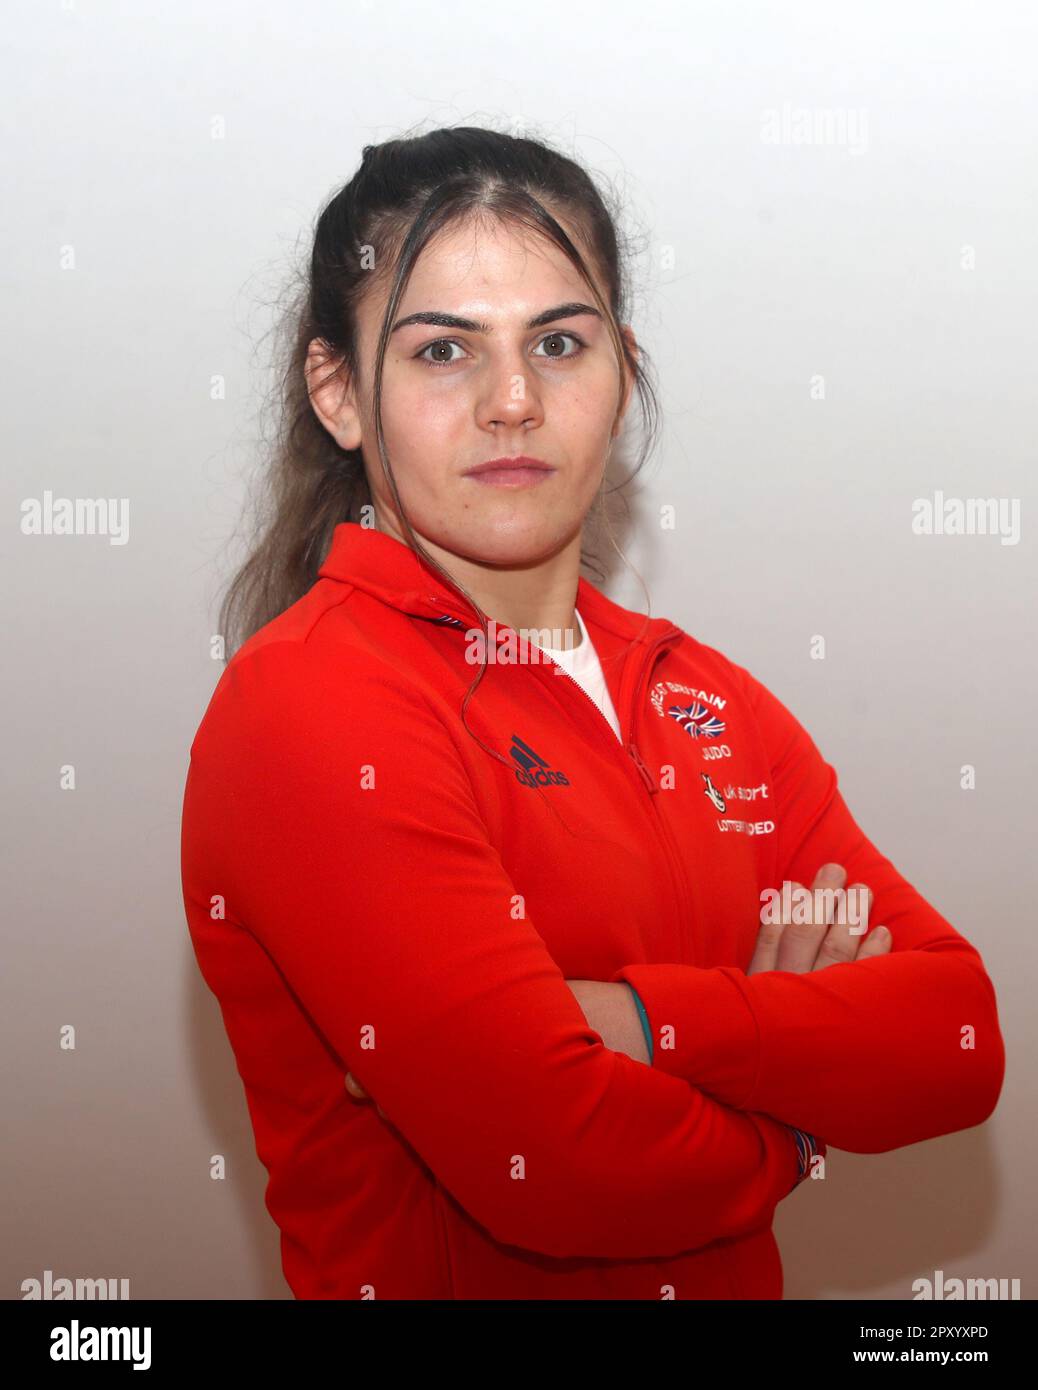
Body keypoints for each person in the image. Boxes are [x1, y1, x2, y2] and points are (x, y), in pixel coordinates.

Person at [180, 125, 1005, 1300]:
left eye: (558, 344)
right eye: (443, 352)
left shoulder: (706, 694)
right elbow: (558, 1162)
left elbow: (960, 1040)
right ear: (339, 394)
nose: (513, 401)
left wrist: (644, 1025)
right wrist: (804, 1108)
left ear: (622, 370)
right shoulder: (308, 701)